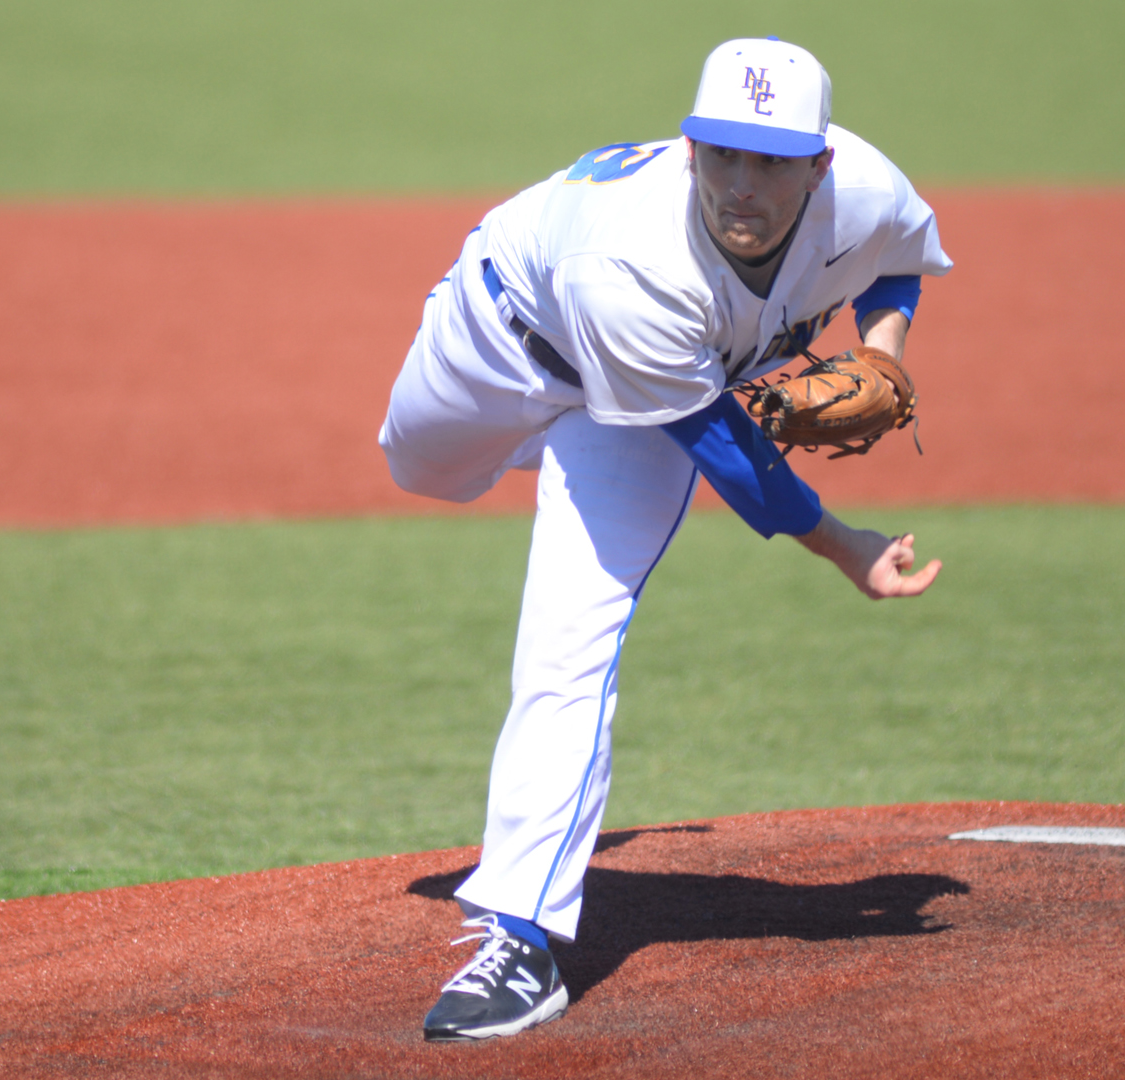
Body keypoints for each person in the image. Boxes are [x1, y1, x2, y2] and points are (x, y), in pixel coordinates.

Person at [377, 37, 951, 1041]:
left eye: (772, 161)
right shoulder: (628, 263)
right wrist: (846, 543)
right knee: (418, 467)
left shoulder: (862, 188)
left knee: (572, 638)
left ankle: (523, 938)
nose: (743, 184)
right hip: (504, 329)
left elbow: (898, 262)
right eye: (724, 154)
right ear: (690, 148)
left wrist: (879, 352)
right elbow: (731, 456)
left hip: (632, 416)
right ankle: (541, 439)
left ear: (819, 166)